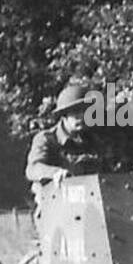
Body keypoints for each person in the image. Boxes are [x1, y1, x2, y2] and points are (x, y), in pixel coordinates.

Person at [25, 82, 99, 224]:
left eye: (84, 111)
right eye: (75, 112)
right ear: (64, 115)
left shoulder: (91, 141)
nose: (81, 117)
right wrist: (55, 173)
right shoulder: (47, 139)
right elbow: (33, 168)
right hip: (56, 211)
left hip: (89, 210)